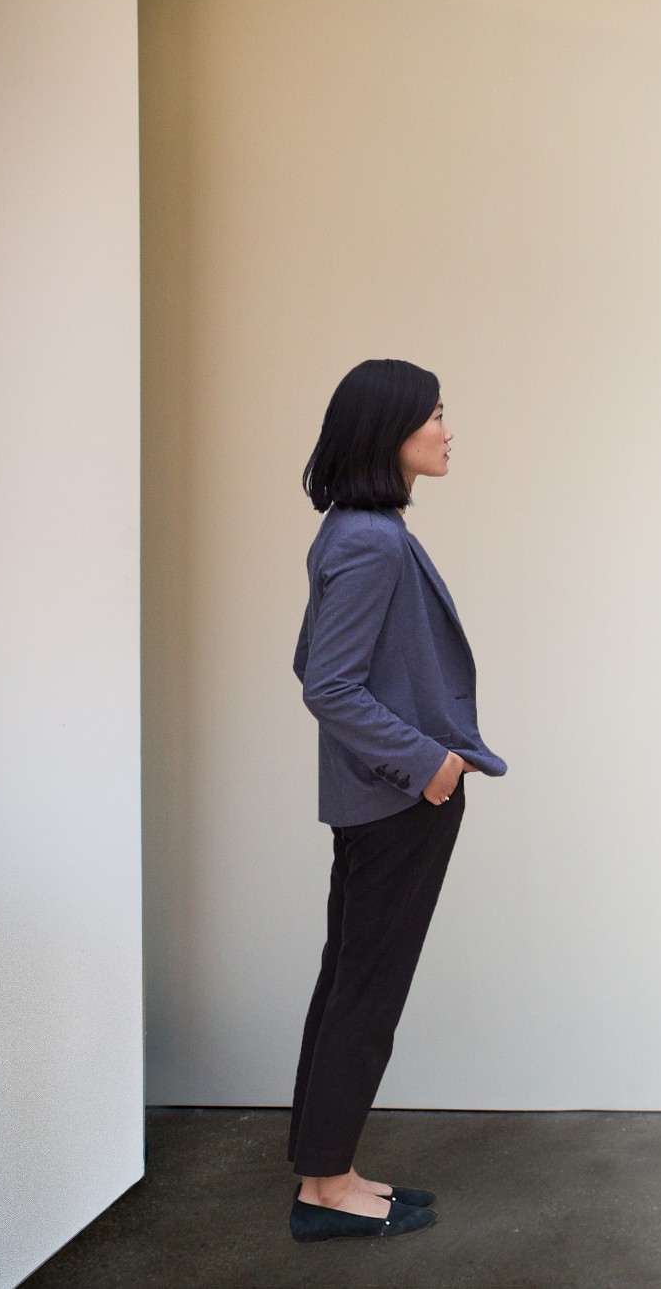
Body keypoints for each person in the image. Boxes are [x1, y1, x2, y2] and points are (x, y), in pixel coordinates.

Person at [287, 358, 506, 1242]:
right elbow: (329, 684)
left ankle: (325, 1174)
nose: (449, 430)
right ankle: (327, 1189)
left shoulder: (355, 528)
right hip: (396, 802)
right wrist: (429, 764)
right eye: (437, 415)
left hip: (376, 799)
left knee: (349, 983)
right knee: (366, 993)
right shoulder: (371, 540)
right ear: (392, 433)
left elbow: (312, 665)